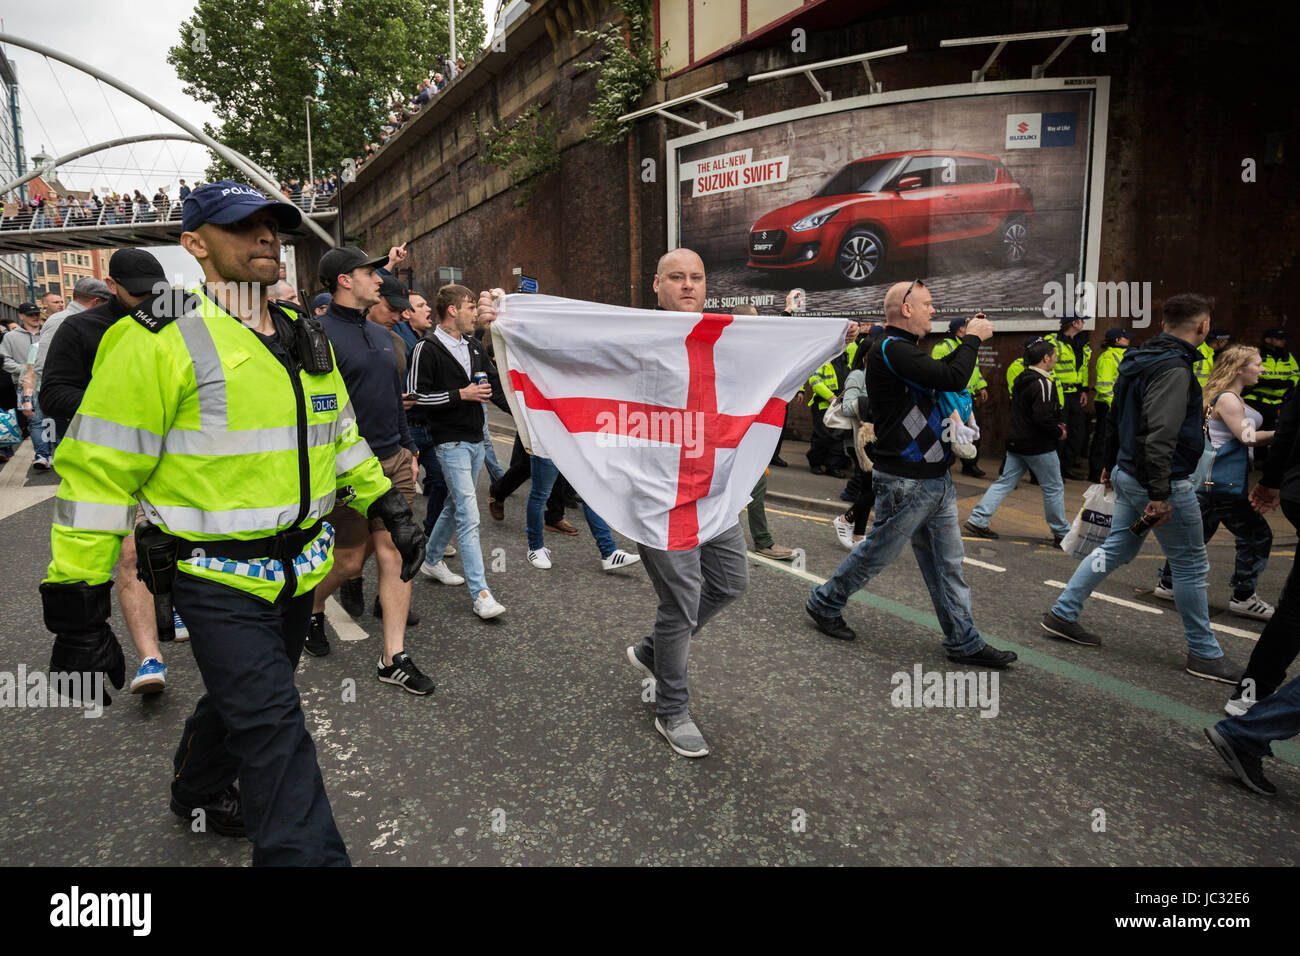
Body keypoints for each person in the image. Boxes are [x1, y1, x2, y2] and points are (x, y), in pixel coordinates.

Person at [41, 181, 425, 865]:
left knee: (245, 699)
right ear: (195, 244)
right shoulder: (155, 337)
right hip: (209, 577)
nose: (265, 238)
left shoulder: (302, 334)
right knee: (276, 731)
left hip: (295, 570)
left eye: (272, 226)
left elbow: (337, 434)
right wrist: (77, 607)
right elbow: (98, 474)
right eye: (241, 226)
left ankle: (196, 786)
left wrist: (383, 502)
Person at [804, 279, 1018, 671]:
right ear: (906, 309)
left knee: (947, 563)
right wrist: (971, 338)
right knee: (875, 553)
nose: (933, 311)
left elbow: (944, 376)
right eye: (928, 304)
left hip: (935, 477)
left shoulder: (907, 353)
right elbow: (953, 377)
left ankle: (962, 639)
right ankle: (825, 601)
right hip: (906, 480)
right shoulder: (890, 348)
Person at [1040, 293, 1242, 683]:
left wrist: (1109, 464)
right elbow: (1161, 434)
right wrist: (1160, 494)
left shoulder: (1137, 358)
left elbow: (1115, 415)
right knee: (1190, 564)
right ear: (1202, 326)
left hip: (1129, 472)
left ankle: (1063, 614)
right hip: (1159, 482)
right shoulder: (1174, 368)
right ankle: (1204, 653)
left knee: (1118, 546)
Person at [620, 249, 752, 758]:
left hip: (712, 490)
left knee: (732, 582)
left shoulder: (723, 337)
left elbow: (775, 362)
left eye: (697, 277)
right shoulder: (635, 336)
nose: (688, 285)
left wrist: (832, 337)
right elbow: (570, 352)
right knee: (680, 602)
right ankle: (672, 709)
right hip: (657, 495)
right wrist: (512, 318)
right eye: (677, 277)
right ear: (656, 284)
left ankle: (654, 652)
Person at [39, 250, 180, 693]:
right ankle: (150, 657)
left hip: (177, 462)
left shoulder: (181, 319)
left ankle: (181, 612)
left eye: (153, 293)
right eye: (135, 293)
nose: (145, 302)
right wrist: (119, 409)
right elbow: (54, 394)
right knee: (130, 555)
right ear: (111, 285)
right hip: (111, 462)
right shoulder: (79, 328)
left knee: (187, 544)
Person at [307, 246, 431, 694]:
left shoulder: (384, 336)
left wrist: (408, 446)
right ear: (344, 279)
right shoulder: (316, 334)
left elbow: (392, 398)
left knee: (398, 551)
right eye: (369, 272)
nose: (379, 279)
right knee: (347, 561)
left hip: (393, 459)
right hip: (347, 469)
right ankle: (313, 608)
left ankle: (392, 656)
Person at [1152, 344, 1275, 623]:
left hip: (1209, 484)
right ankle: (1244, 596)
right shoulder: (1229, 400)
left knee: (1196, 537)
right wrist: (1283, 433)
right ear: (1240, 368)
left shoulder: (1226, 397)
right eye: (1257, 364)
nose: (1262, 369)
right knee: (1257, 536)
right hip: (1224, 485)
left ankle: (1168, 583)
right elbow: (1247, 437)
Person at [408, 284, 511, 619]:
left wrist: (525, 418)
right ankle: (481, 593)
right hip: (448, 441)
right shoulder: (427, 348)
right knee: (469, 515)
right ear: (452, 310)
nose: (474, 314)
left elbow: (493, 388)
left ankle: (432, 558)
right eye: (470, 307)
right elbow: (414, 398)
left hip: (477, 439)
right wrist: (459, 395)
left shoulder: (473, 346)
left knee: (455, 503)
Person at [1225, 388, 1300, 717]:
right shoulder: (1227, 398)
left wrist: (1272, 480)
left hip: (1296, 490)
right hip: (1222, 485)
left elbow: (1288, 430)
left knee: (1293, 612)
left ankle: (1249, 694)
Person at [963, 338, 1070, 544]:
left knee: (1003, 483)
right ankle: (1062, 532)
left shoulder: (1022, 378)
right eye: (1055, 356)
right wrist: (1058, 433)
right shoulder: (1044, 383)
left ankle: (978, 519)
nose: (1056, 360)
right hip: (1039, 446)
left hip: (1017, 442)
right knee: (1053, 487)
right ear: (1046, 358)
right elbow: (1042, 418)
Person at [729, 305, 794, 560]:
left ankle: (762, 541)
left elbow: (781, 339)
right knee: (738, 486)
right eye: (757, 320)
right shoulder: (737, 352)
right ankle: (756, 540)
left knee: (756, 484)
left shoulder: (752, 350)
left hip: (749, 433)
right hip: (732, 434)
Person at [831, 326, 880, 550]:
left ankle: (858, 534)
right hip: (863, 441)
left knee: (870, 489)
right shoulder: (858, 375)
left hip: (877, 438)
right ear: (867, 355)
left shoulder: (879, 377)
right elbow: (848, 407)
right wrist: (873, 406)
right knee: (871, 489)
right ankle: (846, 521)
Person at [931, 316, 990, 478]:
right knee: (950, 434)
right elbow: (936, 374)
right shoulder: (943, 347)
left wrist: (982, 386)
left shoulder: (969, 346)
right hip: (950, 399)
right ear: (960, 329)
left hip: (967, 397)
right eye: (967, 325)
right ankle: (945, 467)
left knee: (972, 431)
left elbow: (975, 371)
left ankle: (970, 465)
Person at [1, 301, 52, 469]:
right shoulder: (10, 337)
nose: (35, 317)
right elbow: (4, 360)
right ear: (21, 316)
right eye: (31, 315)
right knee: (35, 421)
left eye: (37, 313)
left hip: (49, 382)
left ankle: (52, 453)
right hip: (25, 385)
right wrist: (24, 369)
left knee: (53, 419)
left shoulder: (48, 332)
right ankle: (42, 455)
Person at [1045, 314, 1092, 480]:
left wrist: (1084, 390)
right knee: (1060, 432)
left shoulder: (1082, 344)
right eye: (1082, 320)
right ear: (1074, 323)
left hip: (1075, 394)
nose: (1084, 323)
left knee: (1077, 431)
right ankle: (1054, 470)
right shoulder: (1052, 341)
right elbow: (1047, 367)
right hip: (1059, 393)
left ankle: (1067, 467)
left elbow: (1083, 370)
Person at [1243, 327, 1297, 468]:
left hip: (1279, 401)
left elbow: (1296, 375)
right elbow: (1248, 376)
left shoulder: (1287, 356)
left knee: (1276, 430)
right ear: (1268, 340)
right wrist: (1266, 382)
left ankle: (1270, 462)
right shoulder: (1257, 354)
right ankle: (1253, 461)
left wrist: (1288, 383)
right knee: (1252, 430)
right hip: (1257, 400)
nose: (1283, 341)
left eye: (1284, 339)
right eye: (1279, 338)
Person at [805, 339, 855, 478]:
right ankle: (815, 462)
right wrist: (831, 397)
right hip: (823, 404)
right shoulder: (822, 358)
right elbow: (815, 381)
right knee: (822, 436)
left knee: (837, 437)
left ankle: (832, 466)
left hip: (840, 404)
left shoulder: (845, 358)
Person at [1088, 328, 1130, 482]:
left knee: (1110, 438)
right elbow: (1104, 385)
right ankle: (1096, 472)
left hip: (1115, 404)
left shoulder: (1122, 355)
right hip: (1107, 404)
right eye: (1125, 337)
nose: (1128, 340)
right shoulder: (1107, 357)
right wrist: (1114, 405)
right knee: (1103, 438)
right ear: (1117, 340)